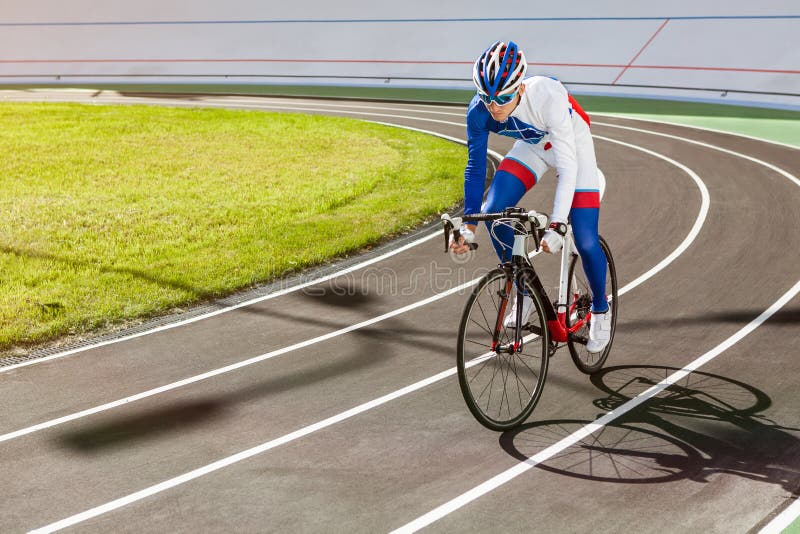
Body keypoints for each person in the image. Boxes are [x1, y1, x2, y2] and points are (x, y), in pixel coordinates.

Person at [449, 40, 611, 353]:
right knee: (493, 210)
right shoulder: (478, 112)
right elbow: (475, 166)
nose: (494, 106)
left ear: (520, 89)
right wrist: (468, 225)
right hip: (533, 146)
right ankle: (524, 294)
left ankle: (601, 309)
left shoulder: (548, 96)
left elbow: (568, 168)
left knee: (586, 238)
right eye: (486, 97)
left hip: (572, 148)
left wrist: (557, 224)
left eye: (503, 98)